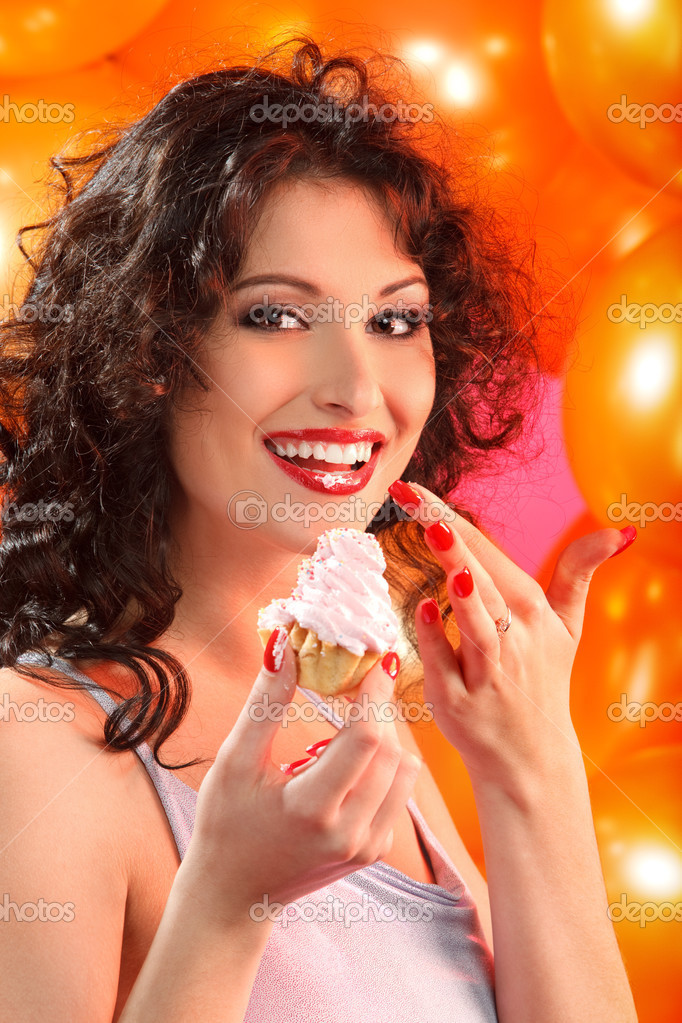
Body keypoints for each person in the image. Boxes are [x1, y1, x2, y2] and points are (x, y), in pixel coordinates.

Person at [0, 35, 638, 1023]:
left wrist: (534, 770)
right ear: (152, 355)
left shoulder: (354, 712)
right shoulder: (40, 743)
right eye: (276, 318)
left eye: (394, 322)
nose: (356, 394)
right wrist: (225, 903)